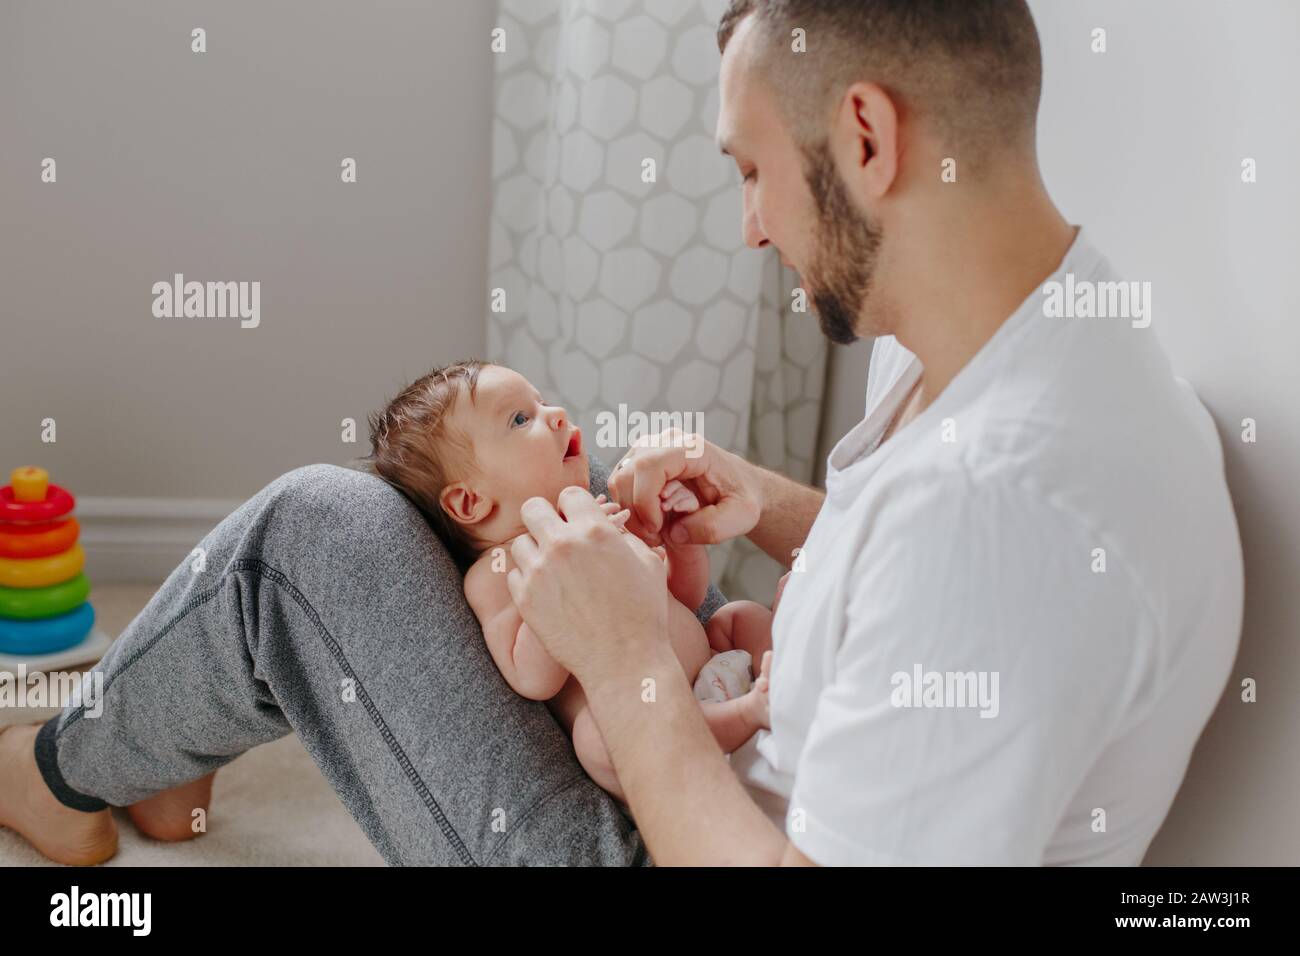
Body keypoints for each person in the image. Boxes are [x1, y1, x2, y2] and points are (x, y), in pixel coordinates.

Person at [0, 0, 1242, 867]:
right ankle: (156, 746)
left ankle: (59, 777)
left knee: (304, 541)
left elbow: (958, 563)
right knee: (403, 518)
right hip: (704, 779)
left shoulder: (1005, 515)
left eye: (750, 171)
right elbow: (916, 573)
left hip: (672, 832)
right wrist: (777, 504)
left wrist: (632, 663)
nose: (752, 229)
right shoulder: (1026, 339)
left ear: (864, 136)